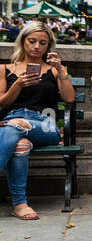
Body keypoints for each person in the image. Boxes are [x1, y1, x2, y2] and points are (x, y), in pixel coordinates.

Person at [0, 21, 74, 220]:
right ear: (22, 41)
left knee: (15, 125)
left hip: (46, 124)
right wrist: (17, 85)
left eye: (42, 43)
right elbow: (2, 103)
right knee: (20, 144)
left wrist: (61, 69)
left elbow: (69, 98)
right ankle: (20, 204)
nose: (36, 46)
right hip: (12, 122)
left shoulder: (55, 70)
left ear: (48, 46)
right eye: (32, 41)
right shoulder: (4, 68)